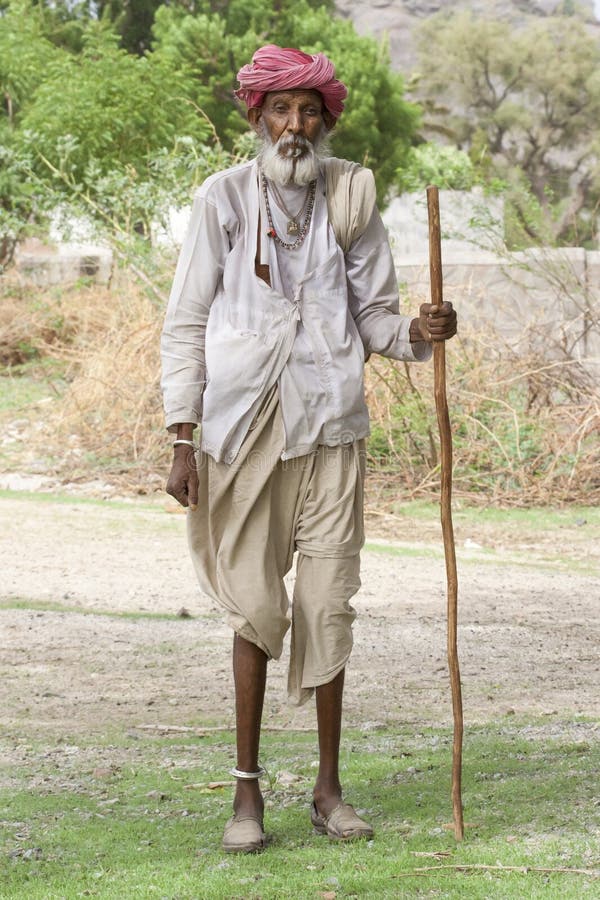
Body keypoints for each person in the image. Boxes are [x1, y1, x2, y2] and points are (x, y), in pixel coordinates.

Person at [160, 44, 457, 854]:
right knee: (256, 611)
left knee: (327, 607)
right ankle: (245, 797)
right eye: (280, 109)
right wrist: (181, 436)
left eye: (309, 111)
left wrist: (418, 335)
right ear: (256, 117)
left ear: (325, 120)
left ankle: (329, 792)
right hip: (241, 431)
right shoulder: (221, 199)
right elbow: (186, 321)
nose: (296, 124)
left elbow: (376, 317)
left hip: (330, 428)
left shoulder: (351, 197)